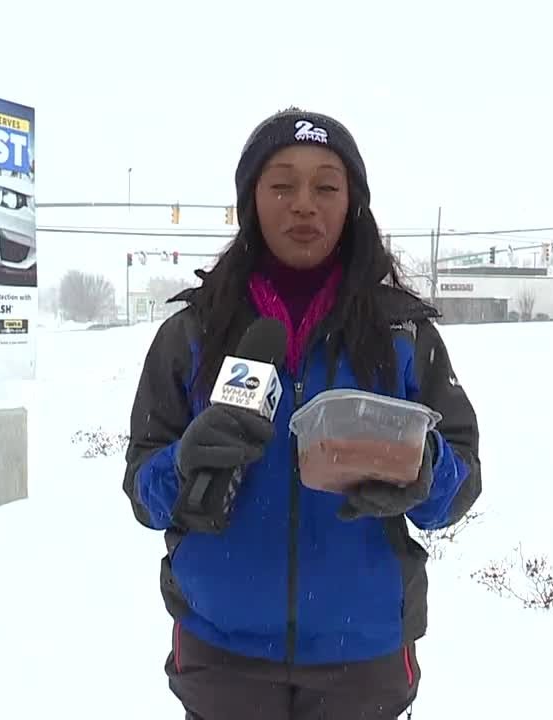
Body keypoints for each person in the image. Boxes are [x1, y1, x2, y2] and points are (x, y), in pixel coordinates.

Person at [122, 107, 482, 720]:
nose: (304, 204)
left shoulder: (403, 336)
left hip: (363, 657)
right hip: (220, 652)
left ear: (352, 204)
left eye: (326, 186)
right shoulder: (191, 336)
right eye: (282, 184)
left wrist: (427, 469)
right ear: (250, 201)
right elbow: (142, 490)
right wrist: (183, 465)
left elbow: (457, 490)